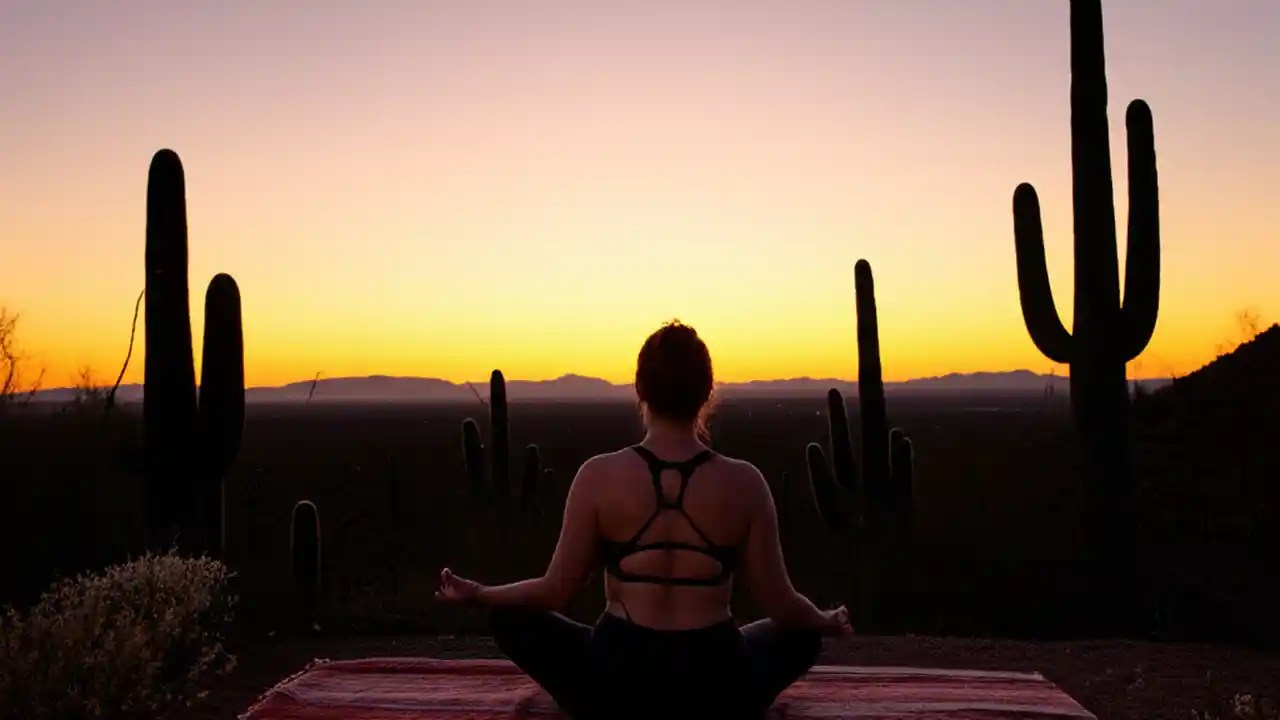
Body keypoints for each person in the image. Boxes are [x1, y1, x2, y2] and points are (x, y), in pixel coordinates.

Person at [435, 320, 852, 719]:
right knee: (801, 633)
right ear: (707, 390)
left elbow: (553, 592)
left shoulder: (597, 476)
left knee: (507, 615)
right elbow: (779, 602)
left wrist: (479, 593)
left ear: (640, 388)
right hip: (718, 683)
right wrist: (825, 621)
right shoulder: (745, 482)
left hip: (613, 684)